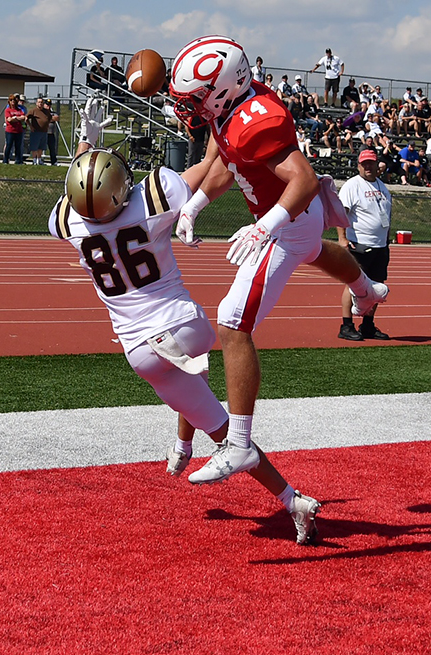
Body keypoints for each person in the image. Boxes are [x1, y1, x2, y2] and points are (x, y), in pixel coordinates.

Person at [49, 96, 321, 545]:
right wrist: (219, 125)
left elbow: (86, 192)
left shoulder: (65, 220)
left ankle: (193, 446)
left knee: (225, 435)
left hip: (139, 351)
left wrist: (86, 140)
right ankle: (294, 501)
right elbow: (214, 168)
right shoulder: (154, 195)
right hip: (185, 325)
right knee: (235, 437)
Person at [168, 35, 387, 486]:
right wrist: (193, 207)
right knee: (317, 253)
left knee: (233, 322)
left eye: (194, 98)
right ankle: (367, 289)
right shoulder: (233, 109)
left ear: (222, 89)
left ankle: (241, 443)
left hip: (288, 219)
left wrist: (264, 227)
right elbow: (229, 164)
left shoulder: (253, 120)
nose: (188, 107)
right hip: (298, 222)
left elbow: (302, 179)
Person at [336, 149, 393, 341]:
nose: (368, 167)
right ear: (359, 165)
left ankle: (368, 325)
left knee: (377, 287)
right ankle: (346, 325)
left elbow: (385, 215)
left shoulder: (382, 187)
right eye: (364, 163)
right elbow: (341, 213)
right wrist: (342, 238)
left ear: (378, 165)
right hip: (359, 244)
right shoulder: (352, 186)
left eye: (371, 163)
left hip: (380, 246)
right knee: (353, 284)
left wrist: (387, 237)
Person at [26, 96, 52, 165]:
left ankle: (39, 159)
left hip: (44, 132)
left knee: (41, 147)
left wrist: (46, 124)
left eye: (42, 102)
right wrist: (30, 126)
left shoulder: (46, 111)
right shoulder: (33, 111)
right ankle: (34, 160)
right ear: (36, 103)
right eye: (39, 102)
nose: (40, 103)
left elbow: (49, 118)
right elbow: (26, 118)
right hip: (35, 131)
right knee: (34, 146)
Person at [3, 93, 26, 165]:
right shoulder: (8, 110)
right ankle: (6, 160)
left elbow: (23, 117)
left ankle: (18, 161)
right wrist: (17, 118)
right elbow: (9, 120)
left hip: (19, 131)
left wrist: (15, 118)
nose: (13, 102)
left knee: (18, 146)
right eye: (11, 100)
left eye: (14, 100)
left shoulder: (19, 110)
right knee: (9, 145)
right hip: (10, 130)